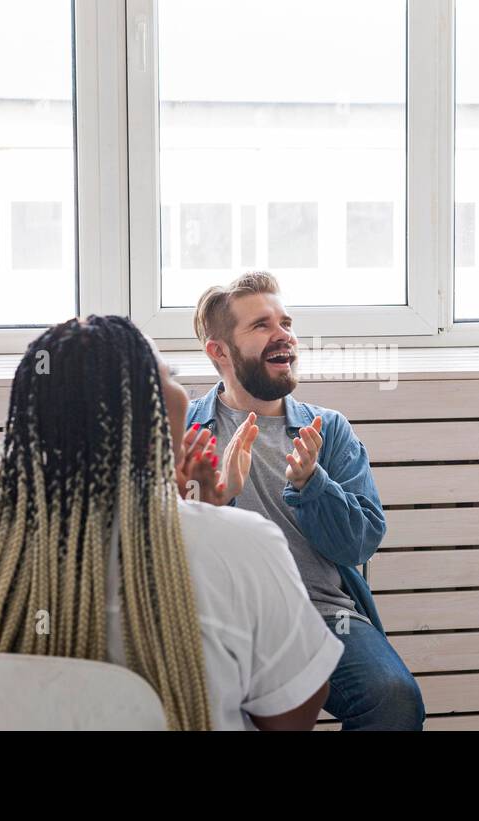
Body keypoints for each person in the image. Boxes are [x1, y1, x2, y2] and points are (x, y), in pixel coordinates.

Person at [0, 314, 343, 731]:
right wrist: (207, 517)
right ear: (147, 413)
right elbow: (292, 715)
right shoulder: (236, 543)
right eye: (169, 375)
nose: (182, 387)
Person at [187, 271, 425, 731]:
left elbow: (358, 546)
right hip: (216, 619)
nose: (284, 336)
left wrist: (313, 483)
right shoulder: (188, 431)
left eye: (286, 322)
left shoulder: (327, 429)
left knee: (393, 699)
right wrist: (221, 496)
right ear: (219, 351)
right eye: (261, 326)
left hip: (319, 616)